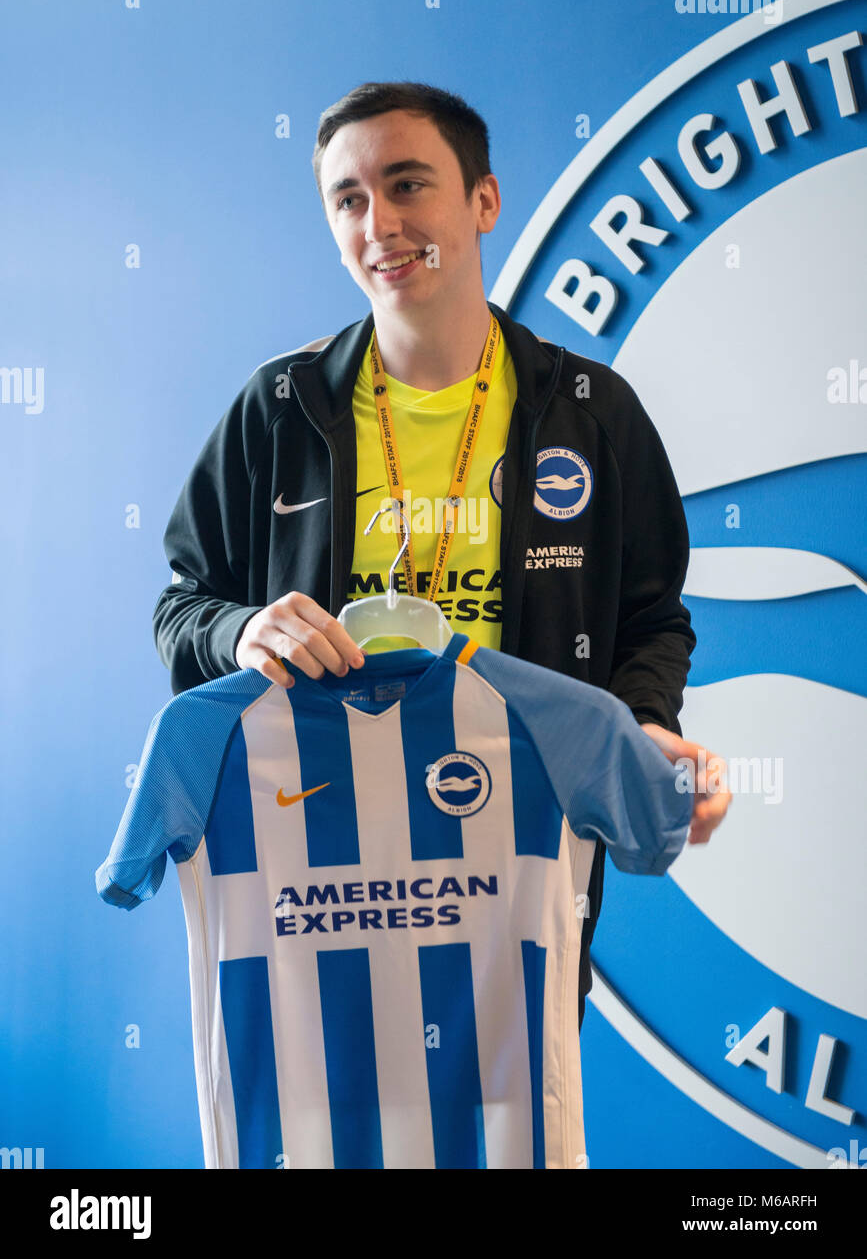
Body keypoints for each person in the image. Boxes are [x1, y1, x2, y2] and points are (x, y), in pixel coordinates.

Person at [153, 80, 731, 1028]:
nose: (377, 220)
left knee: (512, 1121)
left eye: (408, 183)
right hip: (314, 846)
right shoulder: (280, 407)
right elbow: (183, 607)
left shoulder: (590, 411)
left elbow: (650, 618)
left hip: (521, 842)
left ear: (483, 202)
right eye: (348, 198)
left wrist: (641, 726)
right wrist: (245, 630)